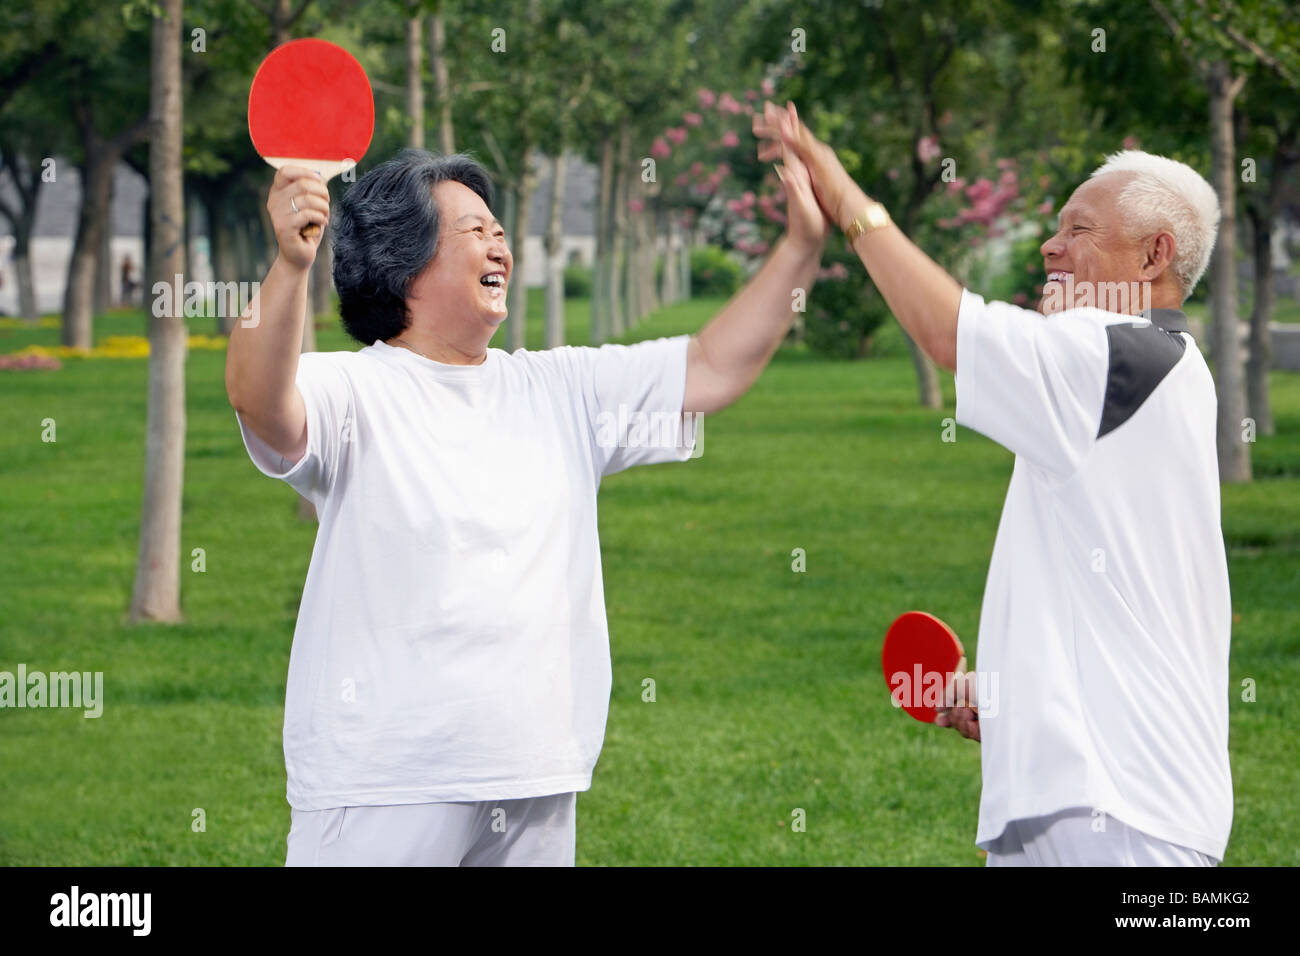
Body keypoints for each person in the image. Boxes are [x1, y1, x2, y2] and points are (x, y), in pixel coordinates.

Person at [225, 146, 830, 866]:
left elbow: (709, 366)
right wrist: (291, 268)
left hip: (535, 776)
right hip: (384, 781)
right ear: (404, 263)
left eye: (500, 232)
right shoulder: (356, 391)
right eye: (473, 231)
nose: (499, 245)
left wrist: (800, 248)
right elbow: (263, 402)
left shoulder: (560, 390)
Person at [757, 102, 1232, 866]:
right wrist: (1010, 691)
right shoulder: (1161, 369)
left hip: (1116, 810)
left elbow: (950, 331)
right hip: (1100, 801)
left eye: (1078, 230)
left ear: (1154, 257)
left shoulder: (1120, 353)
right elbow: (1115, 584)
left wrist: (847, 200)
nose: (1049, 245)